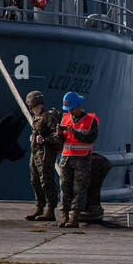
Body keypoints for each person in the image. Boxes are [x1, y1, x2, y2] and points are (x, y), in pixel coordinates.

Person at [57, 91, 99, 227]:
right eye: (68, 109)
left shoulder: (90, 121)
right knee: (64, 187)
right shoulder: (65, 118)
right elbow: (61, 140)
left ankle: (74, 217)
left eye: (72, 109)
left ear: (78, 106)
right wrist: (59, 134)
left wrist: (73, 132)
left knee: (79, 188)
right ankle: (64, 216)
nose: (70, 111)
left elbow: (90, 139)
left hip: (82, 160)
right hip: (66, 158)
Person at [24, 90, 62, 221]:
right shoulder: (37, 117)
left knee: (46, 181)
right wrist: (33, 138)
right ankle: (40, 206)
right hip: (35, 153)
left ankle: (50, 209)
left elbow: (57, 135)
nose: (30, 109)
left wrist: (44, 139)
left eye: (31, 106)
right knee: (35, 180)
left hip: (45, 154)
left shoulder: (48, 117)